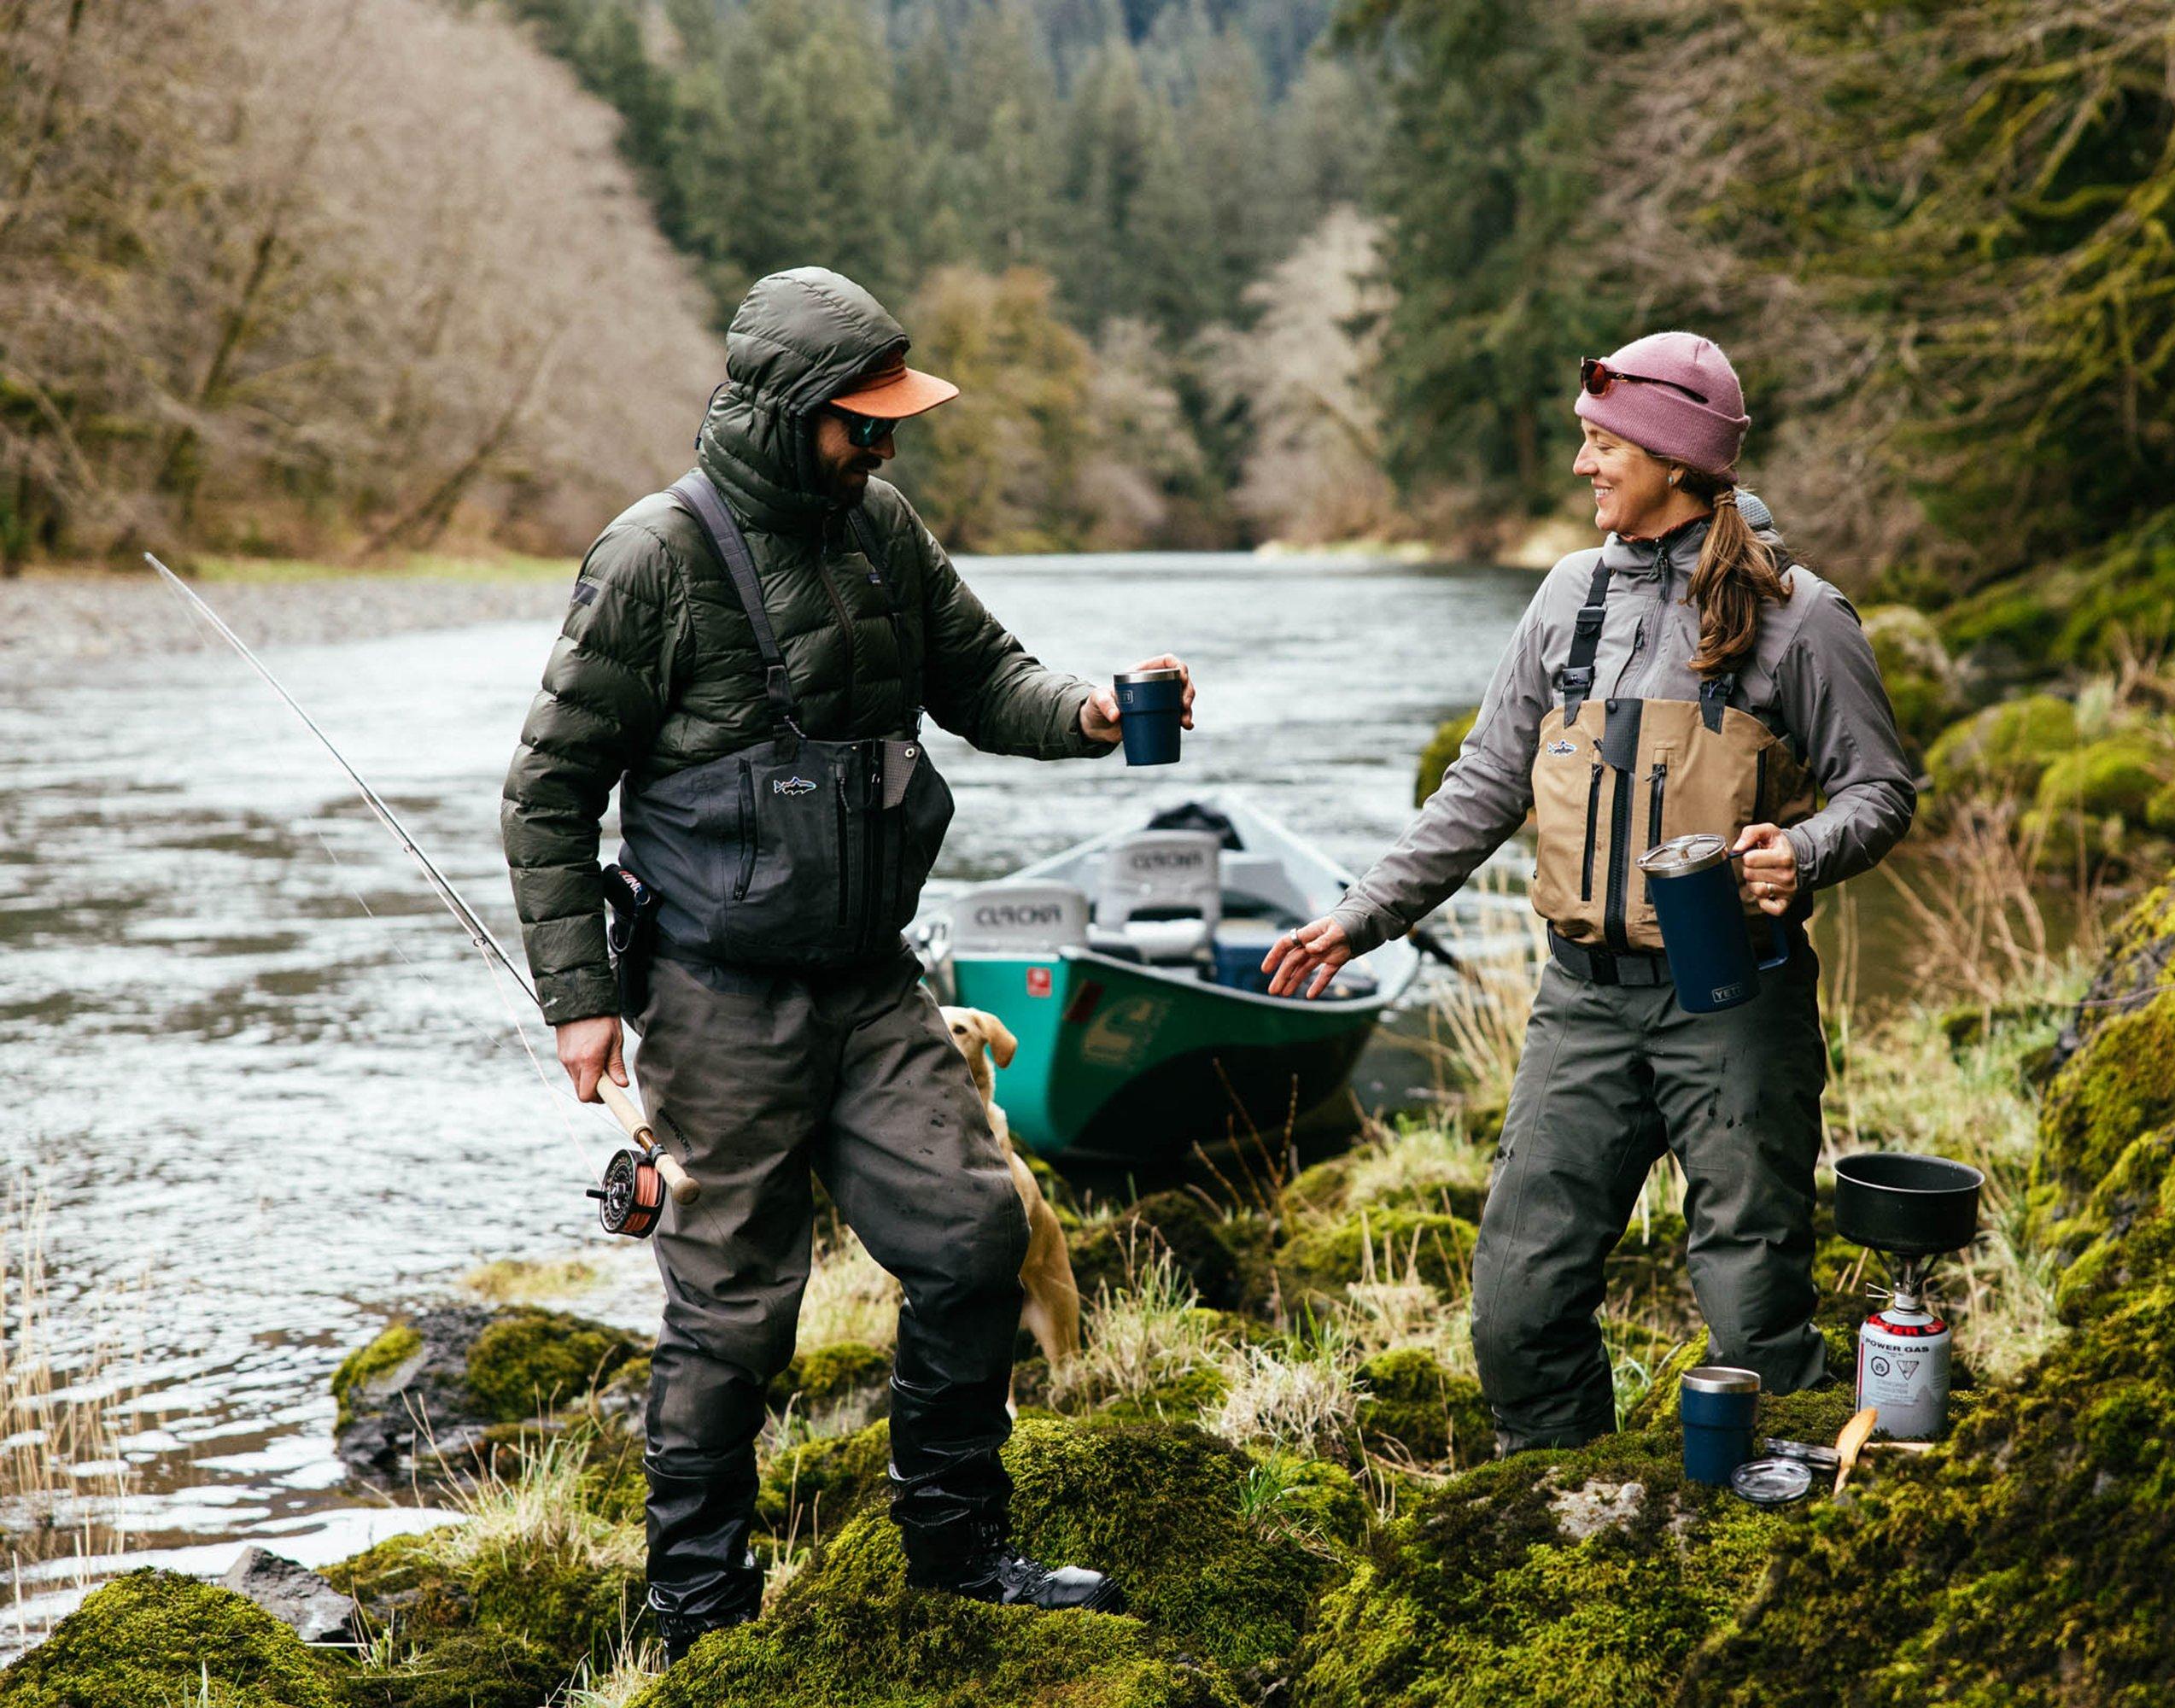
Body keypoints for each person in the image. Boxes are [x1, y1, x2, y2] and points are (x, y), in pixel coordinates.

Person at [502, 266, 1194, 1657]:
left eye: (892, 425)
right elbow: (548, 793)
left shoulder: (881, 526)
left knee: (976, 1231)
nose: (884, 446)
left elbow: (985, 674)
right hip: (711, 998)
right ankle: (697, 1610)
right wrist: (582, 1005)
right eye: (860, 424)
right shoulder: (653, 558)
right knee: (734, 1318)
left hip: (874, 985)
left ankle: (957, 1547)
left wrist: (1090, 717)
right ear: (785, 411)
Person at [1263, 332, 1916, 1453]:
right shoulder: (1568, 599)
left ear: (1675, 458)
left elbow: (1883, 789)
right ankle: (1561, 1503)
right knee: (1516, 1309)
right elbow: (1481, 789)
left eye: (1603, 443)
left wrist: (1800, 855)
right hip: (1582, 1004)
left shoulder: (1801, 617)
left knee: (1753, 1316)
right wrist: (1360, 915)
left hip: (1734, 1003)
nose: (1584, 466)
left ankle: (1775, 1530)